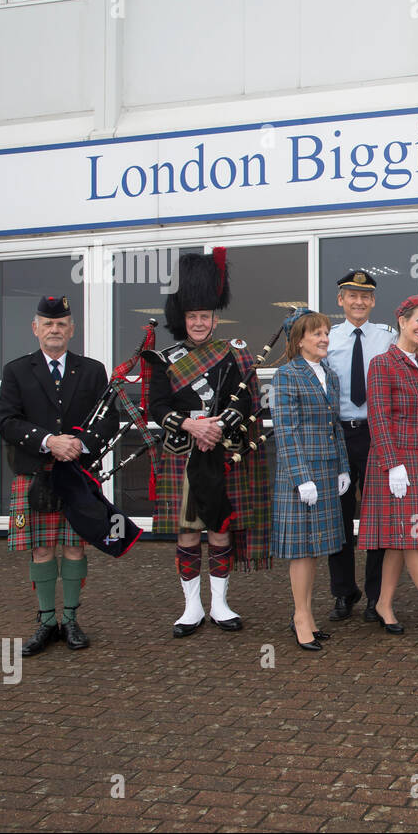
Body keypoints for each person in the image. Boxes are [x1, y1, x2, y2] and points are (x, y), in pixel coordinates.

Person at [146, 251, 270, 639]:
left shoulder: (233, 353)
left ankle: (220, 604)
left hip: (224, 452)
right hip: (183, 454)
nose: (199, 323)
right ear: (181, 319)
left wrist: (218, 426)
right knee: (187, 532)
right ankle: (191, 607)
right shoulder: (163, 359)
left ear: (216, 318)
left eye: (206, 316)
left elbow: (248, 399)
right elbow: (156, 406)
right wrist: (190, 425)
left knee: (220, 530)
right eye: (192, 317)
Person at [324, 269, 418, 626]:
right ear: (341, 300)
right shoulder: (330, 338)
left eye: (365, 297)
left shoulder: (386, 340)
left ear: (374, 302)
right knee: (341, 518)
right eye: (352, 295)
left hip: (385, 438)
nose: (359, 301)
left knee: (390, 530)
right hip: (346, 435)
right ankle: (343, 592)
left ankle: (377, 599)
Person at [0, 295, 116, 657]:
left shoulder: (92, 370)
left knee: (74, 545)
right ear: (35, 329)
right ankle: (47, 622)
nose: (55, 329)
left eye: (62, 323)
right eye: (48, 324)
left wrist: (80, 443)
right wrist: (49, 441)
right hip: (35, 472)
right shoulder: (16, 370)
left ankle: (71, 619)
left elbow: (109, 418)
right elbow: (6, 421)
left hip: (76, 471)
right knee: (42, 547)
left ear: (72, 330)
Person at [360, 296, 418, 641]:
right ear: (401, 321)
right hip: (396, 462)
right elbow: (379, 418)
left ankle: (384, 603)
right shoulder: (382, 363)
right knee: (414, 539)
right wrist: (391, 464)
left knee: (401, 540)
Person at [270, 310, 351, 651]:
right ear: (298, 339)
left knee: (316, 547)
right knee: (302, 550)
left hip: (327, 468)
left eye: (326, 333)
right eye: (316, 334)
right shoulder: (286, 375)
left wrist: (343, 467)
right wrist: (302, 478)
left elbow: (336, 426)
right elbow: (285, 432)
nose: (324, 339)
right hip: (300, 471)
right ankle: (301, 616)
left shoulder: (329, 375)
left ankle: (306, 613)